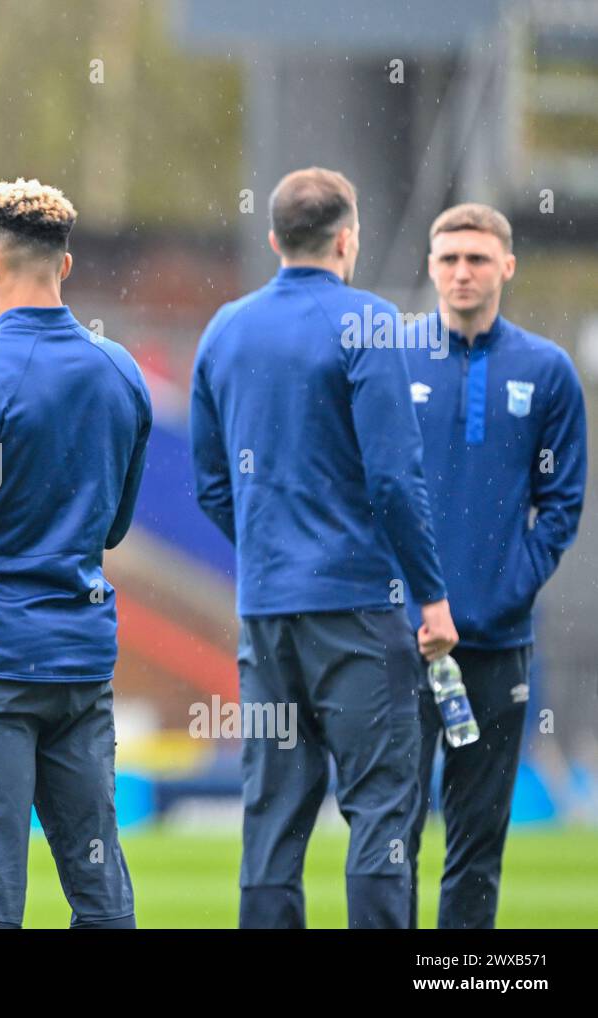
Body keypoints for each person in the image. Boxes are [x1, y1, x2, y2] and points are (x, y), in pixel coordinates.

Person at [189, 166, 458, 929]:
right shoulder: (371, 323)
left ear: (274, 239)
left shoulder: (225, 328)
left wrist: (274, 551)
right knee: (380, 809)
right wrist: (431, 594)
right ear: (349, 239)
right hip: (360, 612)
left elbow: (211, 485)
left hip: (268, 613)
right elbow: (395, 479)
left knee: (271, 817)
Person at [0, 178, 152, 929]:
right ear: (65, 265)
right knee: (102, 895)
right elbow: (112, 528)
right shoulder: (122, 371)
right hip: (80, 666)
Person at [405, 203, 587, 928]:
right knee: (389, 838)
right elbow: (368, 493)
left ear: (506, 266)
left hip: (497, 648)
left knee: (477, 843)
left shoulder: (546, 371)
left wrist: (503, 593)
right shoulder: (396, 360)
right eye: (448, 258)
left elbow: (562, 505)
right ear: (430, 266)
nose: (461, 272)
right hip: (401, 642)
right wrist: (407, 601)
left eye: (477, 259)